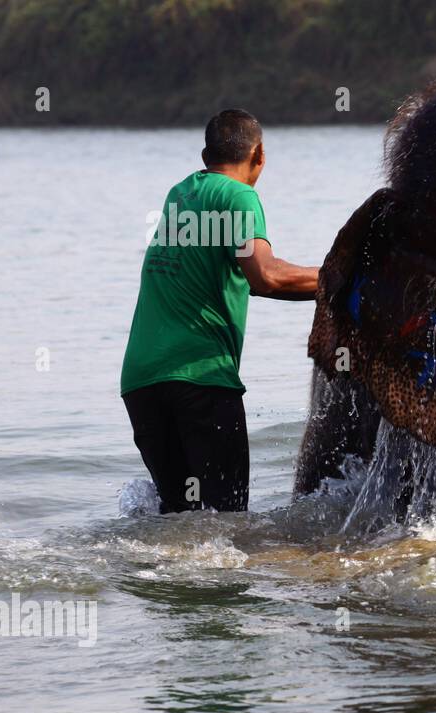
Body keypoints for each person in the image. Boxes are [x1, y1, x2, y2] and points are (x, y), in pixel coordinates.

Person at [120, 109, 319, 513]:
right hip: (200, 378)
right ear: (259, 154)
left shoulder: (180, 194)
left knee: (178, 523)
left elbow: (251, 280)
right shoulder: (239, 195)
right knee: (225, 526)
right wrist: (345, 276)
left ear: (204, 156)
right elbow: (265, 276)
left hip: (142, 382)